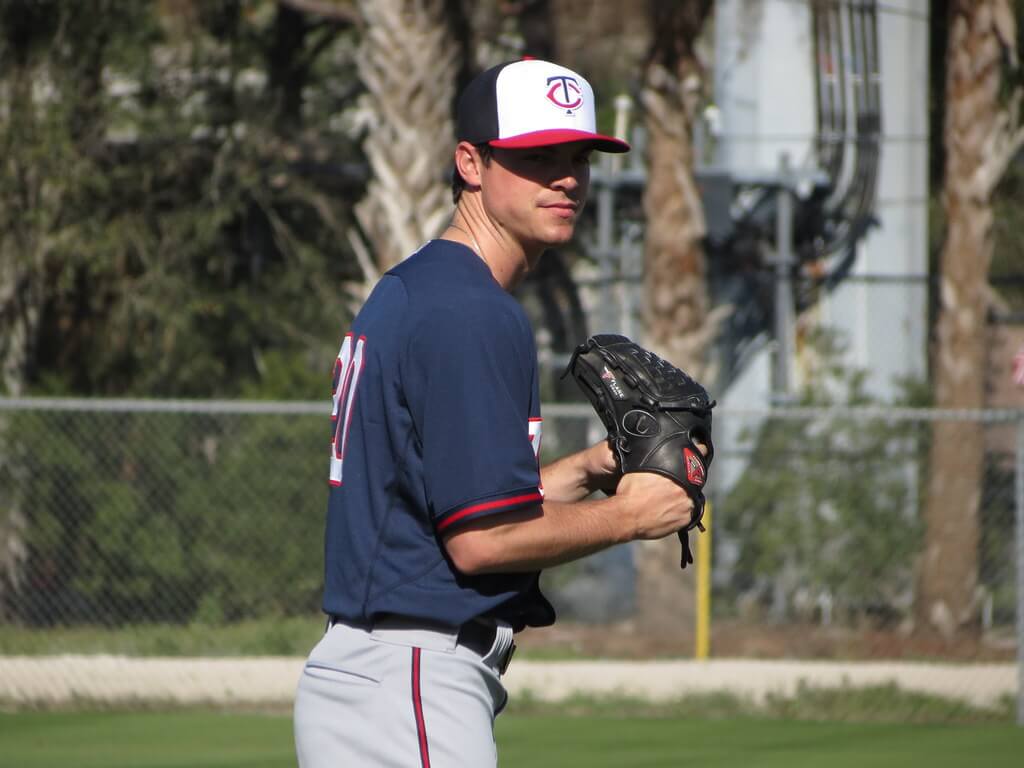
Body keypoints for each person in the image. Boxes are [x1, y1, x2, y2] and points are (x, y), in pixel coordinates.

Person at [293, 57, 700, 768]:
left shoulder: (420, 286)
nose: (566, 178)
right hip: (413, 678)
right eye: (537, 157)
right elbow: (481, 541)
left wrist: (589, 469)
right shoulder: (472, 312)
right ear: (470, 163)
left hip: (381, 676)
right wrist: (632, 514)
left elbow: (448, 503)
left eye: (578, 157)